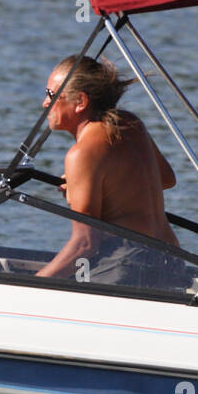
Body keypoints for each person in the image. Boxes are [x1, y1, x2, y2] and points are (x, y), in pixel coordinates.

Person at [35, 55, 179, 284]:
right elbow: (166, 179)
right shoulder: (130, 124)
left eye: (51, 95)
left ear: (80, 101)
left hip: (128, 266)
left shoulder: (81, 154)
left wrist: (35, 283)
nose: (45, 103)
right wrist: (95, 187)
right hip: (171, 259)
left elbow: (85, 243)